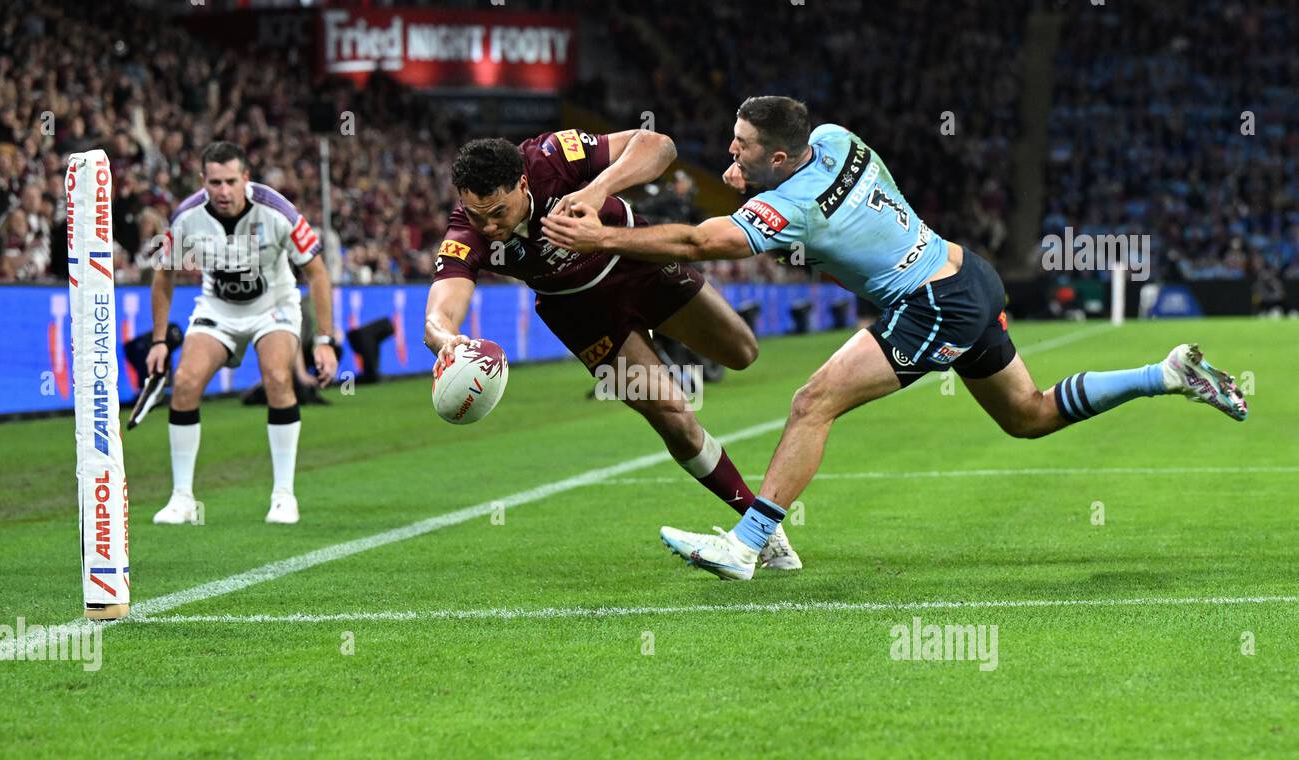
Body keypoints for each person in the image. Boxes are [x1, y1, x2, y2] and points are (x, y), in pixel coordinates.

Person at [541, 96, 1248, 580]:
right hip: (965, 274)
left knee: (813, 400)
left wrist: (603, 234)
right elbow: (767, 190)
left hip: (931, 303)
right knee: (1029, 415)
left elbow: (699, 241)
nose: (730, 152)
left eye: (743, 147)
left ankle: (746, 544)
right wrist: (746, 176)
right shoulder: (835, 140)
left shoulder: (791, 206)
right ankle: (1165, 375)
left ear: (781, 159)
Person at [424, 129, 800, 569]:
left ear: (522, 184)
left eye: (497, 213)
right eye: (476, 214)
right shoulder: (468, 232)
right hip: (582, 314)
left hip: (635, 261)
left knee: (742, 352)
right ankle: (762, 531)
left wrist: (596, 187)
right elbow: (440, 313)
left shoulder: (550, 158)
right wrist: (447, 341)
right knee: (673, 415)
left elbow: (660, 145)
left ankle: (665, 334)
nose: (488, 226)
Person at [148, 141, 338, 525]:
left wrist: (324, 340)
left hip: (274, 306)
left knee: (277, 377)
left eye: (230, 181)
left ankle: (284, 496)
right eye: (214, 182)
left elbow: (316, 272)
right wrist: (157, 342)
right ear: (203, 181)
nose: (222, 191)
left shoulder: (278, 210)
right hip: (217, 308)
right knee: (184, 382)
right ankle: (182, 498)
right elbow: (163, 273)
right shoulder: (186, 217)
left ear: (245, 179)